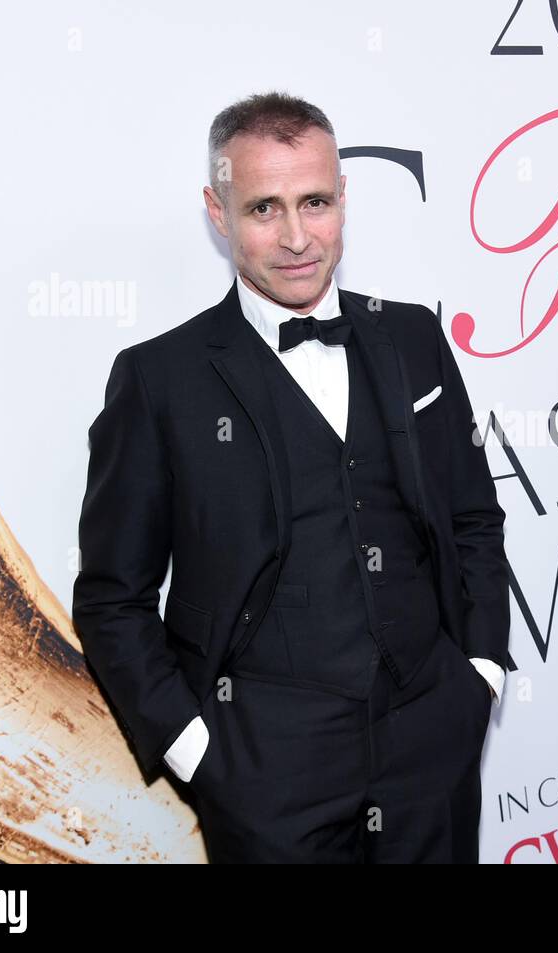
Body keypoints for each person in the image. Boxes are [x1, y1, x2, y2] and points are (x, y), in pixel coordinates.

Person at [72, 91, 510, 862]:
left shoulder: (412, 335)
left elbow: (474, 515)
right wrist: (196, 752)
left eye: (315, 201)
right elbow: (113, 598)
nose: (297, 237)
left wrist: (478, 672)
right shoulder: (158, 379)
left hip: (431, 739)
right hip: (266, 771)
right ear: (218, 211)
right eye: (264, 208)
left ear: (344, 198)